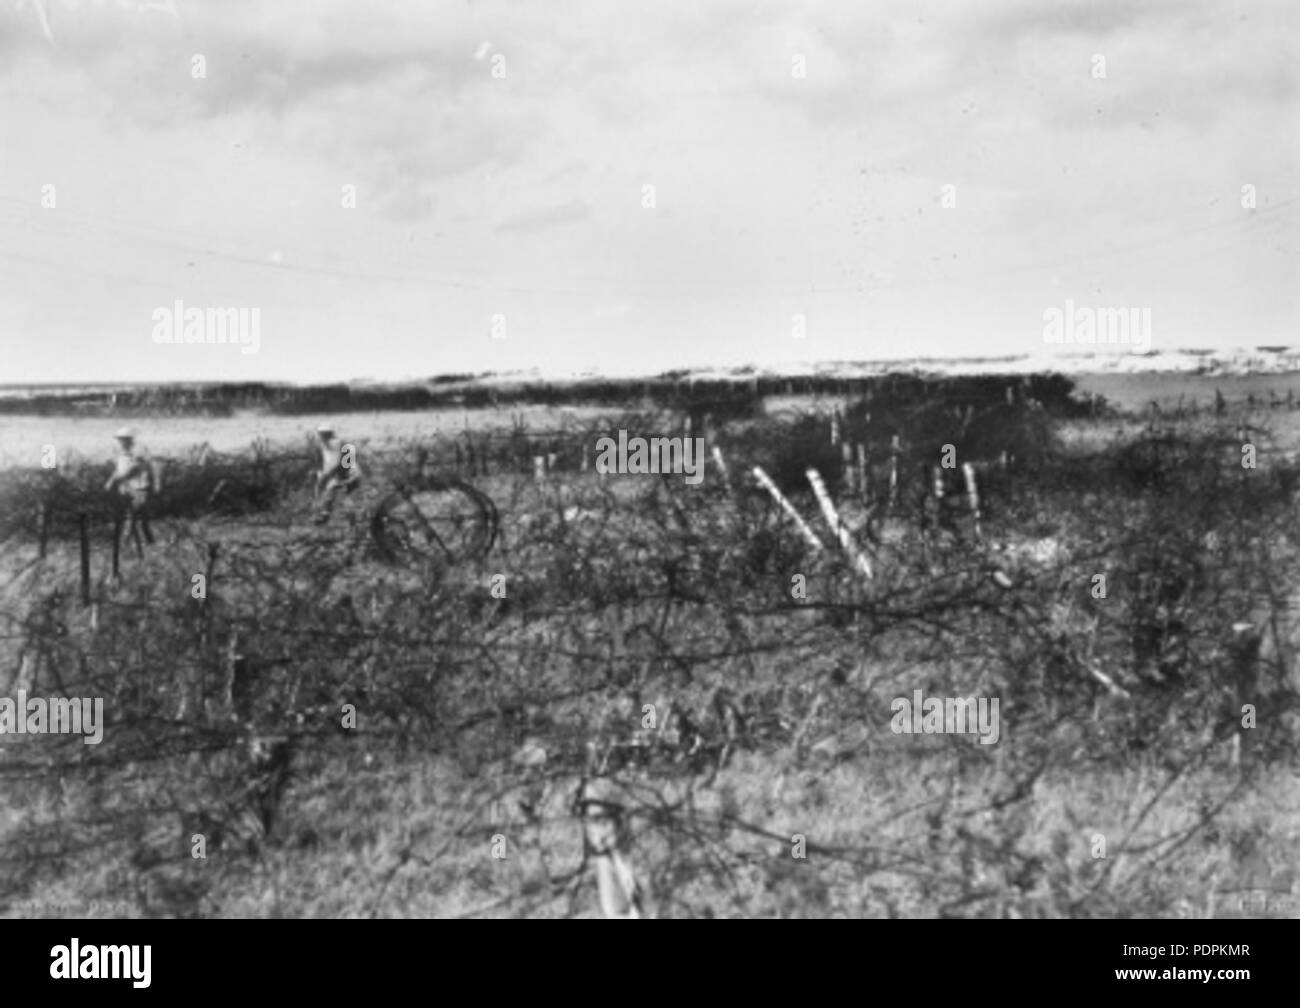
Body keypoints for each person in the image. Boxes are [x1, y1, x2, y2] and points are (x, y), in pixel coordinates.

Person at [105, 427, 160, 556]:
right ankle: (150, 543)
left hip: (139, 489)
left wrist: (118, 479)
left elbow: (134, 469)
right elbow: (118, 469)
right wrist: (111, 480)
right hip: (127, 490)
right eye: (120, 440)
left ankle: (124, 546)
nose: (121, 442)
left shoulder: (138, 452)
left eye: (124, 440)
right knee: (140, 518)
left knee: (132, 517)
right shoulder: (121, 453)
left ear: (130, 440)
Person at [313, 422, 361, 523]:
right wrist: (321, 475)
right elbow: (322, 464)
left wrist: (325, 477)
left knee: (334, 490)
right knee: (341, 495)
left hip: (349, 475)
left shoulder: (337, 444)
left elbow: (340, 465)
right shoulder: (326, 445)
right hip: (348, 474)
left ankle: (325, 514)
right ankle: (352, 523)